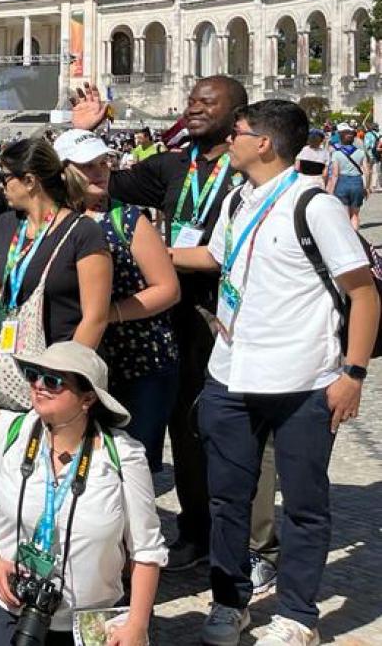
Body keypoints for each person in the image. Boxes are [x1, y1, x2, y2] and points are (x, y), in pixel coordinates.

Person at [172, 100, 377, 646]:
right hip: (231, 375)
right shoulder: (239, 198)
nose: (228, 140)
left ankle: (297, 614)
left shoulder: (316, 206)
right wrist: (143, 250)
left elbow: (362, 292)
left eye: (236, 132)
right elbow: (214, 258)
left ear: (263, 142)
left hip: (304, 380)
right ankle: (230, 601)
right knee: (227, 499)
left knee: (306, 505)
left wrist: (353, 373)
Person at [72, 75, 247, 572]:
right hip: (166, 319)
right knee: (169, 427)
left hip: (224, 314)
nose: (192, 109)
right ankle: (175, 534)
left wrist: (161, 257)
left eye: (205, 104)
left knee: (210, 430)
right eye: (190, 101)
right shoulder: (173, 164)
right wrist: (86, 132)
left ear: (235, 114)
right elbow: (98, 184)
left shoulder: (247, 169)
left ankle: (224, 537)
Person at [0, 341, 166, 646]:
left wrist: (136, 624)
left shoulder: (123, 456)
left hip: (87, 620)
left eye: (54, 381)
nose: (39, 386)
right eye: (33, 375)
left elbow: (146, 550)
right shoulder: (7, 431)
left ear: (87, 399)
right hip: (10, 602)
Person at [53, 130, 180, 470]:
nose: (99, 172)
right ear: (63, 170)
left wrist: (106, 314)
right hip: (74, 354)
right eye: (87, 166)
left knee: (128, 462)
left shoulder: (127, 218)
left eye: (103, 163)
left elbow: (167, 288)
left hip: (136, 359)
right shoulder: (52, 220)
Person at [0, 138, 112, 390]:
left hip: (64, 377)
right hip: (10, 371)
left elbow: (95, 317)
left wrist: (60, 379)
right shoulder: (4, 226)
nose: (1, 185)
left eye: (5, 177)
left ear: (29, 181)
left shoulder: (83, 231)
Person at [330, 123, 367, 229]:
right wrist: (367, 187)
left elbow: (335, 174)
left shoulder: (336, 154)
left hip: (342, 182)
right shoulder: (361, 153)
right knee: (355, 215)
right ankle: (355, 237)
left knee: (344, 216)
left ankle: (347, 240)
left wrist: (331, 191)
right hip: (357, 182)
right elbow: (367, 171)